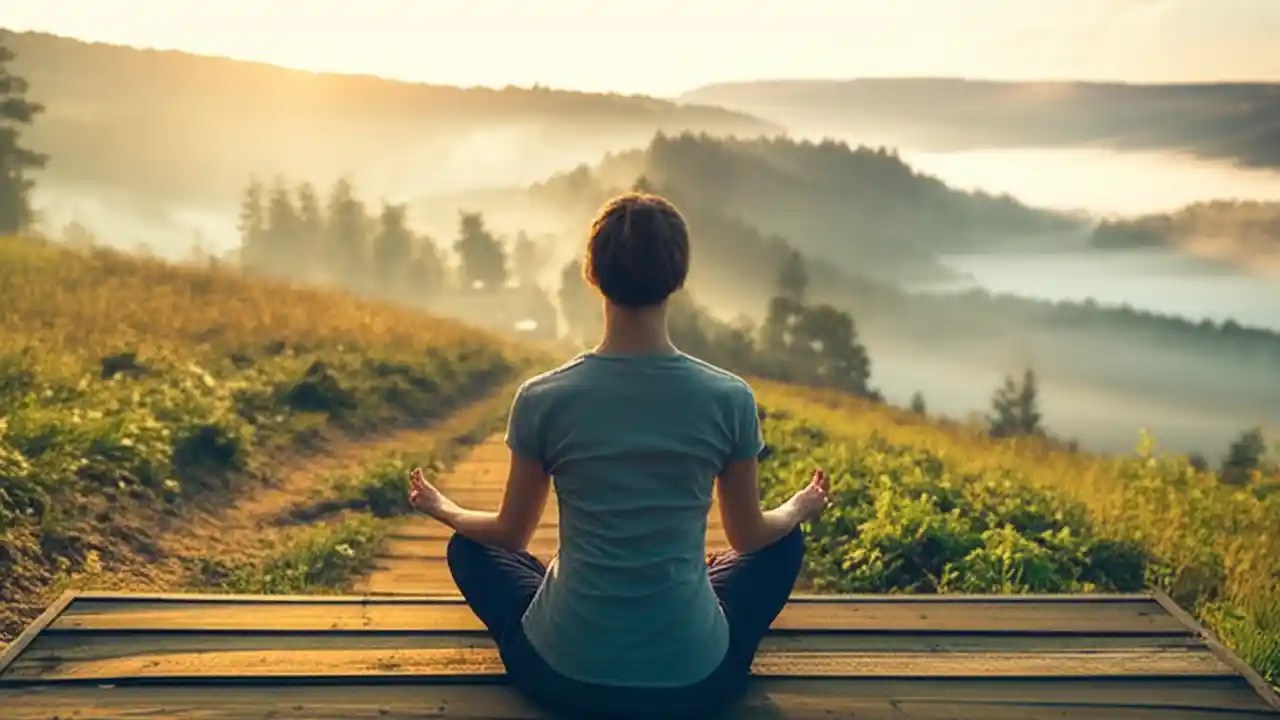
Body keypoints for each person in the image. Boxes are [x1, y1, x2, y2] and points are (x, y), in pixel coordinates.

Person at [407, 192, 830, 718]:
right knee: (782, 547)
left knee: (469, 548)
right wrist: (798, 507)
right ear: (678, 276)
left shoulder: (544, 397)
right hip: (696, 680)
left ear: (592, 274)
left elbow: (509, 534)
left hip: (561, 675)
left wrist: (443, 508)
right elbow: (749, 537)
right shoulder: (728, 397)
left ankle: (577, 604)